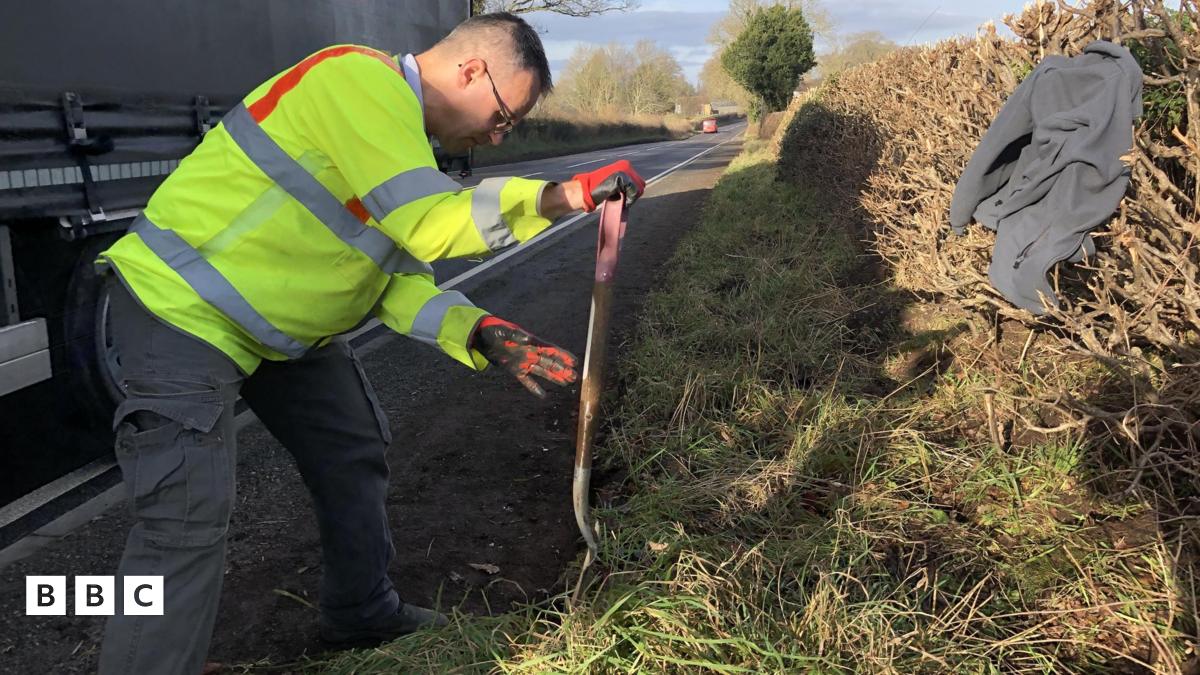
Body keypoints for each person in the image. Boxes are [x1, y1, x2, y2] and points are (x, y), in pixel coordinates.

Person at [95, 12, 645, 675]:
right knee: (183, 516)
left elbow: (395, 278)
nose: (498, 136)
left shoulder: (400, 138)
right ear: (472, 71)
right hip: (178, 307)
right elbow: (434, 225)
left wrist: (477, 330)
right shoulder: (357, 80)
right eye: (503, 117)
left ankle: (362, 608)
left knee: (352, 444)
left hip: (275, 326)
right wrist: (564, 195)